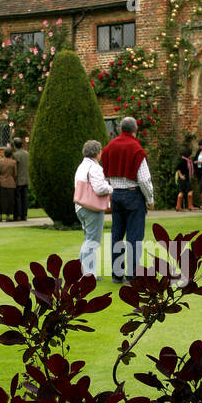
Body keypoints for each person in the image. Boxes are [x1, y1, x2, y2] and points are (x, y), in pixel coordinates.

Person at [102, 114, 154, 283]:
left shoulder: (109, 147)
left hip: (116, 193)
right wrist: (150, 199)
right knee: (134, 236)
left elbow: (106, 173)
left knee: (117, 234)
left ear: (120, 129)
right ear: (135, 130)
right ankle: (132, 275)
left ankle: (117, 274)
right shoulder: (136, 149)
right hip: (133, 194)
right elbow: (144, 179)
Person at [73, 138, 112, 277]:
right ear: (97, 153)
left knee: (88, 238)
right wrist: (110, 188)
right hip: (92, 208)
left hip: (80, 207)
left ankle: (81, 270)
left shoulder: (81, 166)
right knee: (92, 241)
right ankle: (88, 274)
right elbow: (100, 188)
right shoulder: (95, 167)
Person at [0, 144, 17, 222]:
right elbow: (15, 174)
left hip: (1, 183)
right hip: (10, 183)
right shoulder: (13, 162)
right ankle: (8, 217)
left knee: (0, 200)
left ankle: (0, 216)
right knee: (9, 200)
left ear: (4, 153)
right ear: (11, 154)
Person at [12, 136, 29, 221]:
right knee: (24, 198)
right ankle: (24, 215)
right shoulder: (27, 154)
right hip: (26, 179)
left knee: (17, 198)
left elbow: (14, 168)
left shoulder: (15, 155)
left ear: (14, 145)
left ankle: (18, 215)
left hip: (18, 179)